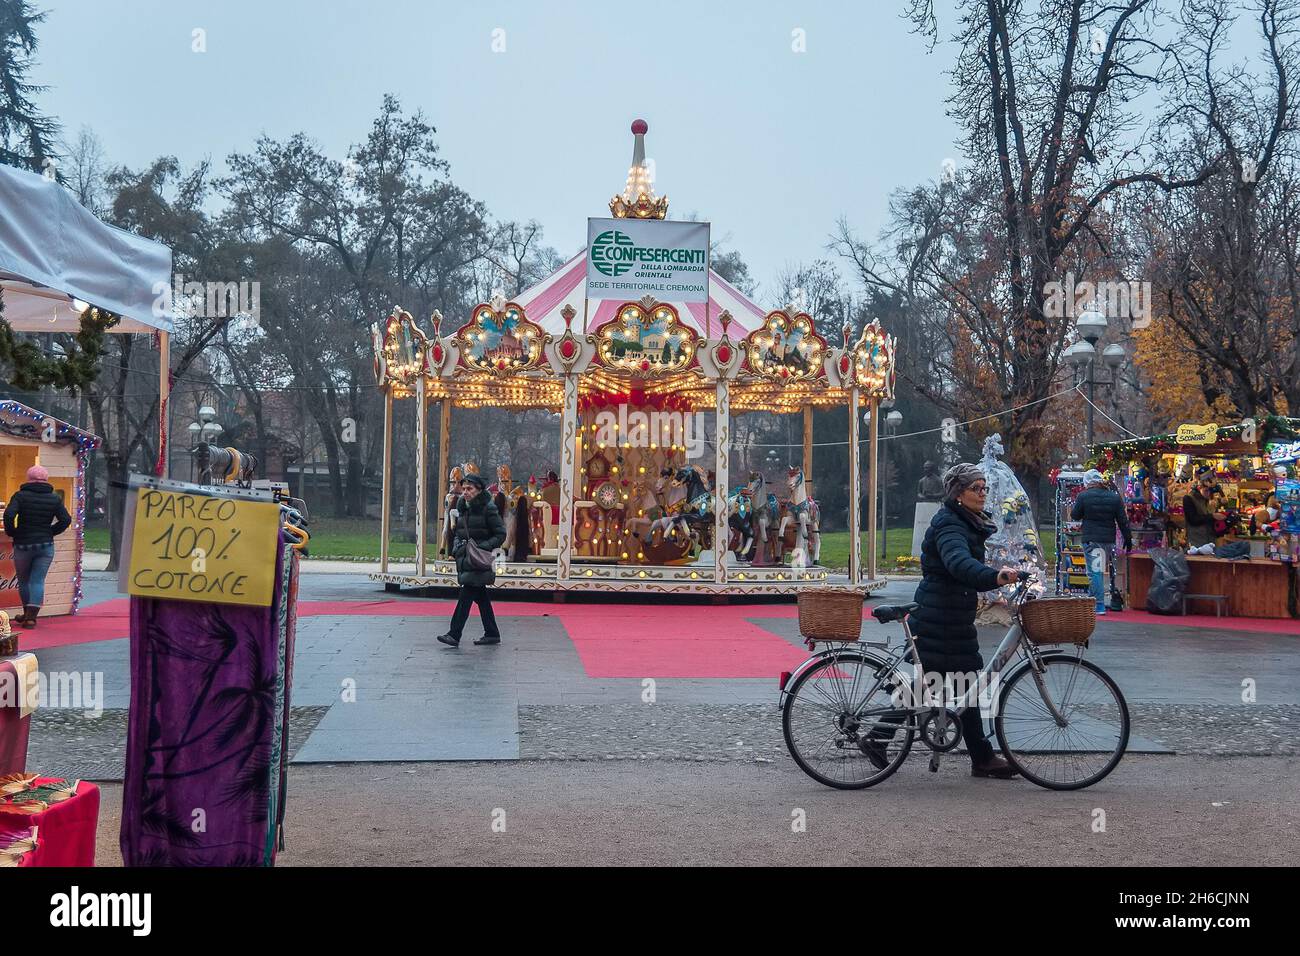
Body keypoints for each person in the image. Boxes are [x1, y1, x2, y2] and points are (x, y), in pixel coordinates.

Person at [872, 463, 1021, 779]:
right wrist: (994, 576)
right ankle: (878, 737)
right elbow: (959, 564)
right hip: (939, 616)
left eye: (985, 488)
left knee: (964, 682)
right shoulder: (950, 525)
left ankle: (980, 756)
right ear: (958, 494)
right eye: (976, 488)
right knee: (946, 682)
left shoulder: (963, 521)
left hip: (951, 614)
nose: (983, 494)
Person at [437, 472, 506, 648]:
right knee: (481, 597)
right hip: (468, 558)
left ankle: (454, 634)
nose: (465, 491)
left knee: (466, 596)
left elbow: (500, 534)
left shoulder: (488, 508)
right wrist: (458, 548)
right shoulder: (463, 508)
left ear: (479, 490)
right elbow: (459, 532)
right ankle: (492, 632)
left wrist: (483, 547)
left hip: (479, 560)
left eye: (470, 488)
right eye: (464, 488)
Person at [3, 465, 72, 628]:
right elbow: (66, 520)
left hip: (23, 545)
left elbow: (8, 515)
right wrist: (51, 532)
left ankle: (27, 614)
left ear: (29, 478)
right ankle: (30, 617)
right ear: (46, 479)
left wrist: (13, 532)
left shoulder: (20, 496)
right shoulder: (54, 498)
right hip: (45, 545)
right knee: (38, 580)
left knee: (24, 580)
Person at [1071, 468, 1132, 615]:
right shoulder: (1114, 497)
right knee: (1098, 571)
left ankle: (1098, 605)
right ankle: (1093, 600)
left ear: (1087, 482)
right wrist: (1127, 538)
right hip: (1108, 540)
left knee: (1095, 572)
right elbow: (1122, 520)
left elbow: (1075, 515)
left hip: (1092, 539)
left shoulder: (1083, 496)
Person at [1182, 473, 1222, 551]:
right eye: (1206, 490)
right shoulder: (1189, 498)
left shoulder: (1209, 501)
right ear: (1199, 487)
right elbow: (1193, 519)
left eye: (1211, 491)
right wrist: (1212, 516)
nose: (1209, 493)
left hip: (1211, 543)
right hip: (1196, 544)